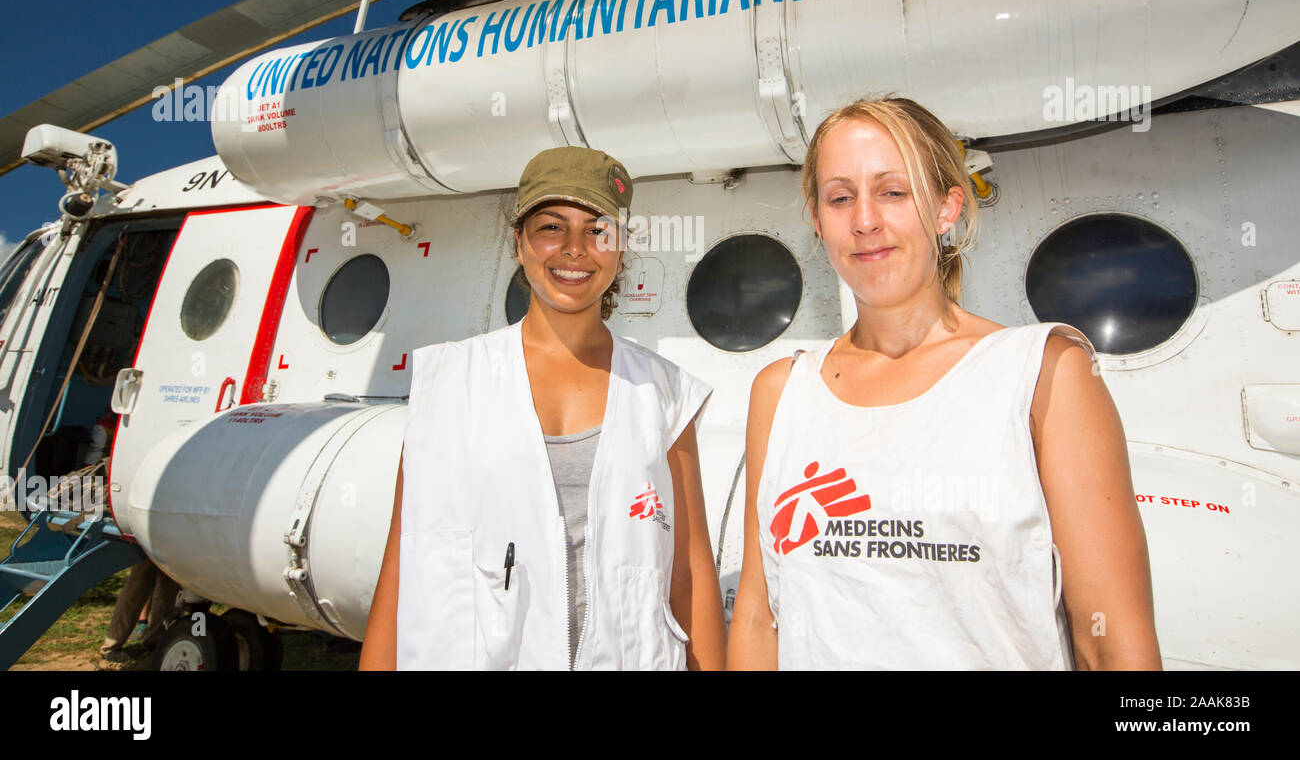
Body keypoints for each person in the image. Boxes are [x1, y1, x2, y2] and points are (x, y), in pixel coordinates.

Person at [727, 97, 1161, 670]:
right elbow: (759, 619)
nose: (864, 221)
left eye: (893, 191)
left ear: (946, 206)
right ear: (817, 220)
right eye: (839, 198)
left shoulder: (1042, 373)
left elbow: (1110, 643)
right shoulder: (781, 393)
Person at [360, 146, 725, 670]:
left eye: (598, 229)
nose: (575, 249)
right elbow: (401, 569)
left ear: (621, 248)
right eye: (551, 227)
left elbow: (689, 576)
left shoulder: (664, 394)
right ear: (519, 242)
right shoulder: (449, 384)